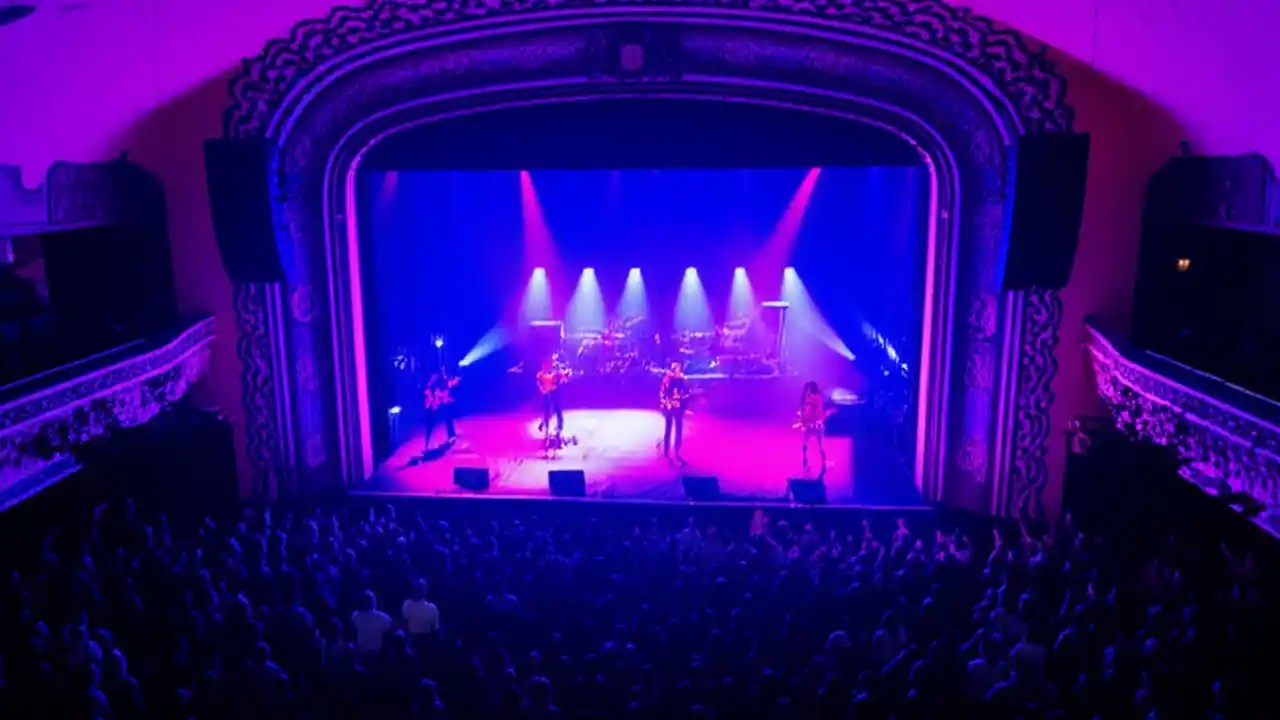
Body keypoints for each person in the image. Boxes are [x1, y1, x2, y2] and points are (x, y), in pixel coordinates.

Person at [423, 366, 459, 453]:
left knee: (447, 418)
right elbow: (429, 392)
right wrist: (433, 400)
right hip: (433, 406)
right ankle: (427, 445)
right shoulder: (434, 382)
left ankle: (451, 436)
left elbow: (446, 390)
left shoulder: (442, 381)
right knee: (431, 425)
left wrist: (441, 397)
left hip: (438, 404)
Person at [659, 361, 689, 464]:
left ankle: (677, 451)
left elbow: (685, 392)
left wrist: (685, 398)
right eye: (676, 366)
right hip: (670, 407)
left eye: (679, 366)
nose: (678, 368)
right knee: (668, 428)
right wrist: (666, 404)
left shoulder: (682, 379)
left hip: (679, 407)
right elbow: (663, 393)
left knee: (678, 429)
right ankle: (666, 451)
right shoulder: (668, 379)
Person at [351, 590, 393, 659]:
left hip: (360, 653)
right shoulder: (381, 617)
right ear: (373, 602)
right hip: (377, 654)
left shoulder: (355, 616)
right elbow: (391, 630)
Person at [797, 380, 828, 473]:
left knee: (820, 445)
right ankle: (806, 463)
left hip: (816, 423)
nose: (807, 391)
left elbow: (818, 410)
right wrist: (802, 421)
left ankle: (823, 462)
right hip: (809, 424)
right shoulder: (805, 399)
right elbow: (802, 410)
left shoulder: (817, 398)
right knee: (805, 445)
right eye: (806, 389)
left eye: (809, 389)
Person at [536, 355, 568, 439]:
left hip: (554, 392)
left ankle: (559, 427)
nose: (547, 366)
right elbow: (539, 384)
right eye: (545, 364)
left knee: (557, 409)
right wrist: (542, 389)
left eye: (548, 364)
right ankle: (545, 424)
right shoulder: (540, 375)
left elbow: (563, 378)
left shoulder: (555, 373)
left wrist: (563, 377)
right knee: (547, 410)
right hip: (546, 393)